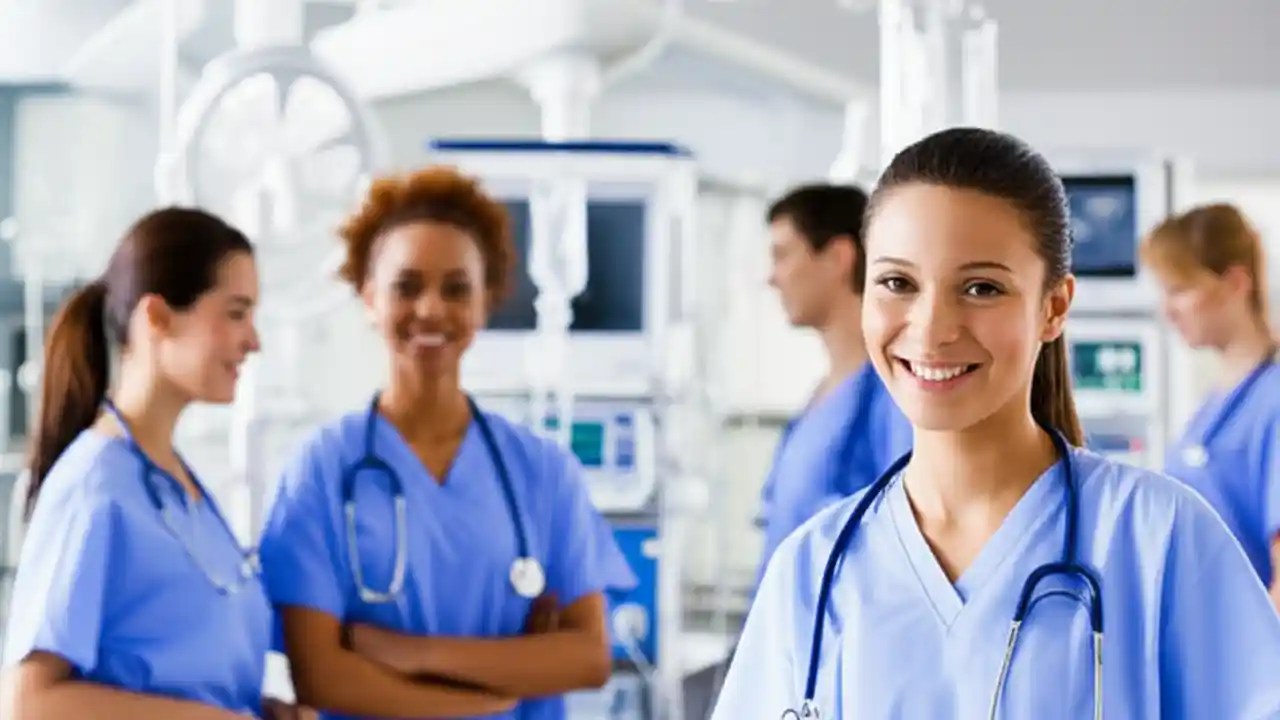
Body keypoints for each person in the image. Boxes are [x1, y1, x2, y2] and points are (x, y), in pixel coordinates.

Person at [709, 128, 1280, 719]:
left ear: (1053, 307)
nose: (932, 329)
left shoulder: (1156, 538)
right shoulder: (812, 568)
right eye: (897, 283)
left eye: (981, 288)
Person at [258, 167, 633, 719]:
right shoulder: (320, 470)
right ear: (368, 297)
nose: (431, 309)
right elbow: (321, 675)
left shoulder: (542, 471)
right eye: (406, 286)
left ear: (486, 302)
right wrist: (500, 686)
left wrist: (406, 653)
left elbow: (585, 657)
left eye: (456, 289)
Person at [0, 208, 310, 719]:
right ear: (157, 318)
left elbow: (176, 681)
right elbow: (29, 704)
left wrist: (262, 711)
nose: (253, 341)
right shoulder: (94, 486)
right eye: (236, 313)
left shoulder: (176, 485)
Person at [756, 184, 911, 580]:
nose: (772, 278)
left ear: (839, 257)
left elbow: (906, 541)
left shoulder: (891, 395)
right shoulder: (821, 399)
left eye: (783, 255)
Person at [1141, 204, 1280, 608]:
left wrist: (1254, 667)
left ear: (1236, 282)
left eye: (1180, 290)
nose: (1168, 310)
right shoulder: (1216, 403)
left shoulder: (1272, 400)